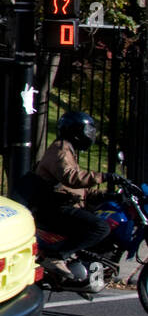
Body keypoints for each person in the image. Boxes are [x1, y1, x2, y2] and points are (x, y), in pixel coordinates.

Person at [34, 111, 112, 279]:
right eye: (87, 131)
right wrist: (103, 176)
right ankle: (56, 256)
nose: (90, 135)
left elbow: (79, 189)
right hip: (54, 208)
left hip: (64, 204)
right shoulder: (60, 150)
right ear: (75, 131)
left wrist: (106, 195)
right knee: (101, 227)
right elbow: (71, 178)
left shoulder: (69, 150)